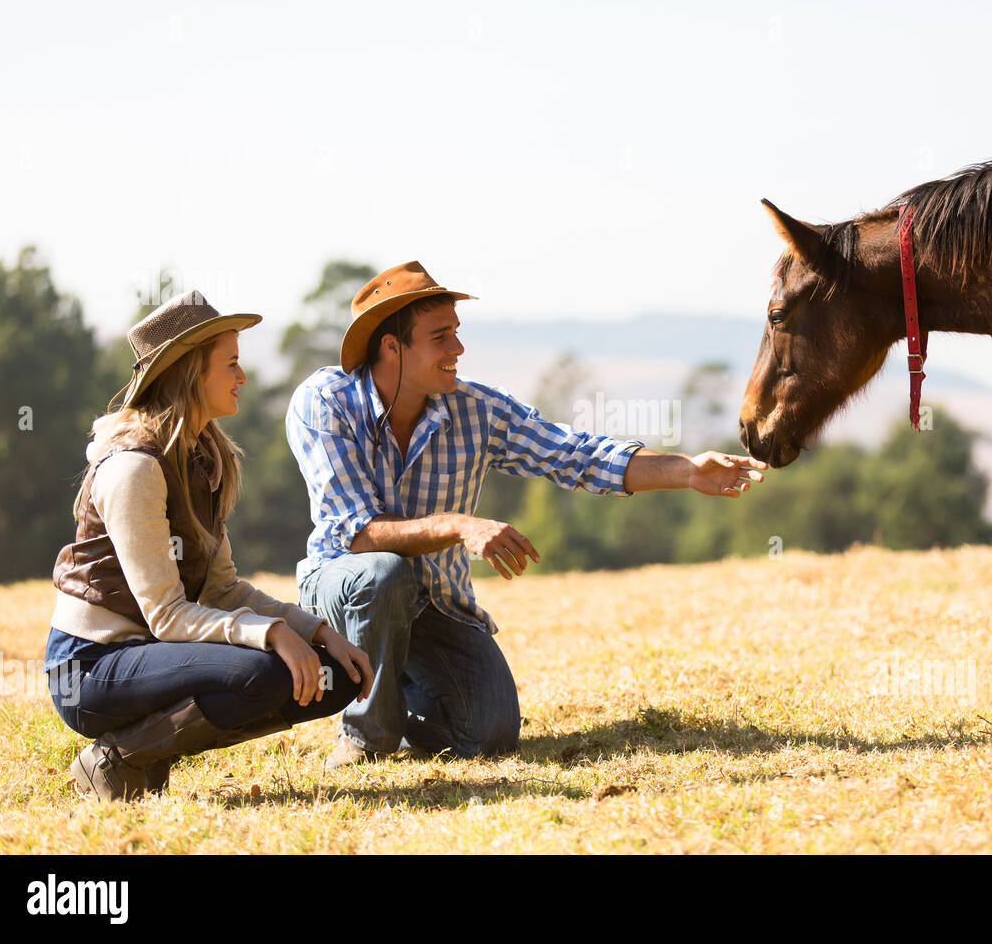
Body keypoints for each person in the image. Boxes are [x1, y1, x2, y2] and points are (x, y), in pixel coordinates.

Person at [286, 261, 766, 768]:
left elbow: (574, 455)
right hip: (343, 595)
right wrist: (459, 525)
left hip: (436, 605)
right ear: (392, 347)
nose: (458, 349)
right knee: (383, 573)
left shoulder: (478, 409)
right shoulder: (324, 404)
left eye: (457, 333)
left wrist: (686, 470)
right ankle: (364, 738)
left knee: (488, 733)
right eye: (441, 336)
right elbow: (359, 535)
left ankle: (395, 696)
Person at [46, 290, 374, 801]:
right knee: (265, 670)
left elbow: (221, 590)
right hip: (90, 667)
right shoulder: (134, 467)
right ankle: (117, 759)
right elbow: (168, 616)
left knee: (336, 676)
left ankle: (143, 752)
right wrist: (272, 635)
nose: (242, 377)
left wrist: (315, 630)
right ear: (188, 373)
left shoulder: (204, 456)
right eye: (231, 364)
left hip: (152, 653)